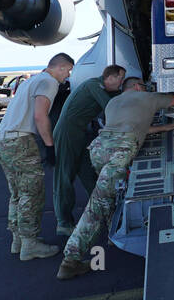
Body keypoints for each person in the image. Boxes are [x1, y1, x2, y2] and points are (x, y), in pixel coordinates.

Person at [57, 77, 174, 279]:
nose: (145, 88)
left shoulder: (113, 102)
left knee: (108, 195)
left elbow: (130, 125)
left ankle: (111, 235)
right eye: (143, 86)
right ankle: (70, 260)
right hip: (120, 149)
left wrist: (162, 128)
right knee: (99, 202)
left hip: (99, 147)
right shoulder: (146, 96)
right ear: (136, 86)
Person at [0, 53, 73, 260]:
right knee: (32, 194)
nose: (68, 76)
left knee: (17, 193)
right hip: (21, 141)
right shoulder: (49, 82)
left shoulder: (32, 81)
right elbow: (40, 115)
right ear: (61, 67)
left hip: (3, 140)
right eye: (68, 71)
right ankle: (30, 244)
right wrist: (50, 146)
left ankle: (18, 240)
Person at [52, 64, 126, 237]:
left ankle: (103, 213)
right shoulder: (94, 85)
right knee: (64, 177)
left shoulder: (104, 88)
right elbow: (112, 107)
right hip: (67, 133)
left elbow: (120, 97)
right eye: (120, 79)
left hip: (80, 135)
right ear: (110, 77)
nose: (121, 83)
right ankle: (64, 223)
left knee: (90, 175)